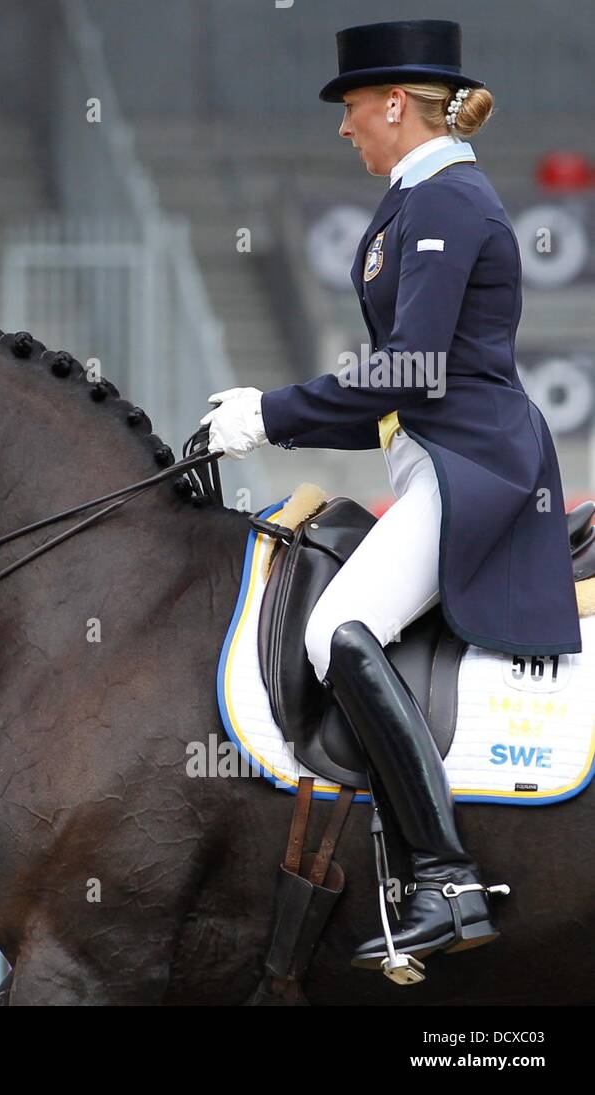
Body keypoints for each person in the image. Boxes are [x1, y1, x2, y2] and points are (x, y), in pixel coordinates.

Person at [200, 20, 577, 969]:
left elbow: (410, 365)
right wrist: (272, 416)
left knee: (337, 631)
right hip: (434, 452)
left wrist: (269, 413)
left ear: (396, 105)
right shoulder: (420, 199)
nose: (344, 128)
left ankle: (445, 877)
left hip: (476, 465)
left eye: (353, 108)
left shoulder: (449, 203)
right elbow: (399, 379)